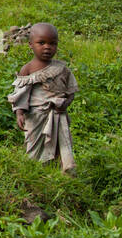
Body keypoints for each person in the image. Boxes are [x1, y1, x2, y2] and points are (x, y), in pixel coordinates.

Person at [7, 22, 78, 175]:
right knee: (34, 143)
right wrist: (19, 113)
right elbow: (21, 93)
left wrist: (66, 103)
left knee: (60, 144)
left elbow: (71, 90)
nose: (47, 47)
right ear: (30, 45)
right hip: (35, 117)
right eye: (42, 43)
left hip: (58, 115)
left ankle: (60, 171)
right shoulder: (28, 69)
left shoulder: (62, 69)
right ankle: (32, 171)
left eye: (52, 43)